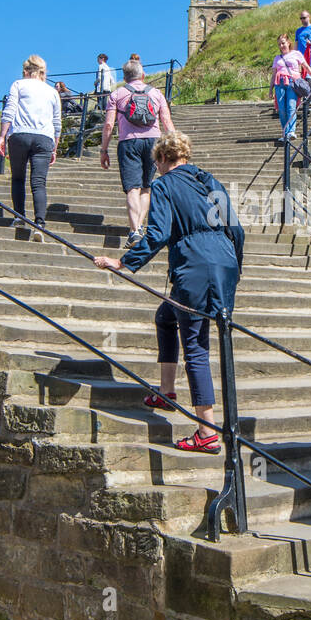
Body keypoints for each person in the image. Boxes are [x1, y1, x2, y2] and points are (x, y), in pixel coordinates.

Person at [93, 131, 244, 453]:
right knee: (165, 316)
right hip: (225, 262)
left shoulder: (163, 184)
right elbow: (237, 229)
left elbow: (158, 232)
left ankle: (207, 431)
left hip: (195, 265)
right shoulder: (210, 181)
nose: (156, 170)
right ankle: (166, 391)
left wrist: (124, 262)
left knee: (196, 345)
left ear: (162, 158)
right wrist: (235, 268)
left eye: (156, 164)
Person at [100, 58, 173, 247]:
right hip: (153, 142)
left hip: (128, 141)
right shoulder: (156, 93)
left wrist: (104, 149)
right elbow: (166, 120)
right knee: (146, 187)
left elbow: (108, 125)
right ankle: (140, 226)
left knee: (132, 187)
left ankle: (134, 231)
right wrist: (173, 145)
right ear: (143, 75)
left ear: (124, 77)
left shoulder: (117, 94)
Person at [0, 54, 62, 242]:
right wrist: (54, 148)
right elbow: (57, 122)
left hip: (19, 135)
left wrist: (2, 136)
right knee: (39, 182)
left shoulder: (18, 84)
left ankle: (19, 217)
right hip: (44, 138)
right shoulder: (52, 92)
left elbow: (9, 111)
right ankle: (39, 224)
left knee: (18, 178)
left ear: (26, 71)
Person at [269, 34, 311, 141]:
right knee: (282, 109)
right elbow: (274, 75)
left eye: (283, 43)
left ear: (288, 43)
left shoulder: (296, 54)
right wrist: (270, 89)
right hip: (280, 84)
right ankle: (285, 132)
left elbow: (306, 66)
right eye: (279, 44)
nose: (281, 46)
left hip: (293, 82)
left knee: (291, 107)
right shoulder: (277, 58)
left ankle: (291, 131)